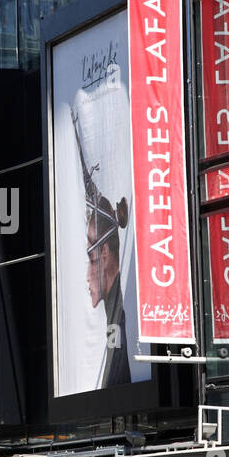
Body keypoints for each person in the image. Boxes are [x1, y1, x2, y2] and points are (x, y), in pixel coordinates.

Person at [72, 106, 131, 390]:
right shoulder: (113, 311)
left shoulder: (123, 313)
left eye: (90, 259)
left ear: (105, 253)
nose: (85, 276)